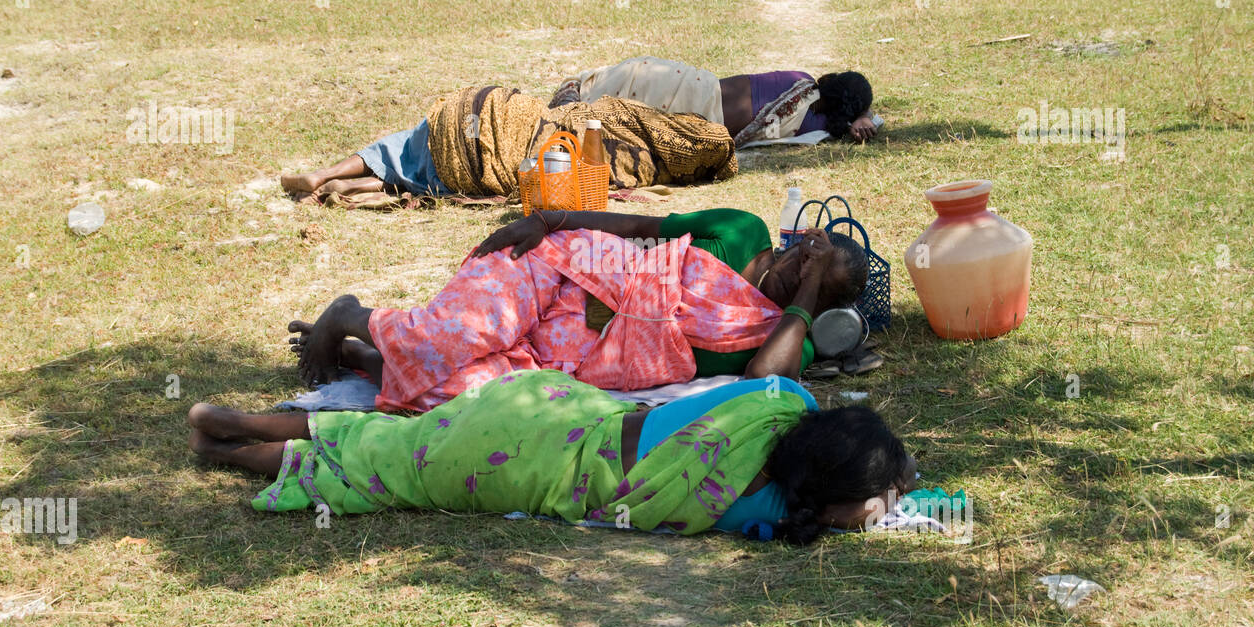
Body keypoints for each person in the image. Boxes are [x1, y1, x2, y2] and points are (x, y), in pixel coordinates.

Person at [188, 369, 916, 544]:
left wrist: (880, 463)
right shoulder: (756, 509)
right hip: (532, 464)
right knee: (388, 469)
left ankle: (232, 418)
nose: (877, 512)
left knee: (404, 436)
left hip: (552, 405)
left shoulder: (779, 399)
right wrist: (872, 502)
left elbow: (792, 387)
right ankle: (233, 449)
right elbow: (841, 514)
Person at [287, 208, 868, 413]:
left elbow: (766, 381)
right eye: (808, 257)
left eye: (818, 281)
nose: (802, 270)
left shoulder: (788, 338)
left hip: (567, 359)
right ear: (801, 239)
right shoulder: (744, 231)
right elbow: (640, 226)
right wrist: (549, 222)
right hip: (561, 269)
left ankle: (364, 353)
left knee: (464, 400)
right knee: (459, 337)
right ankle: (350, 313)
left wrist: (805, 297)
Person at [280, 83, 737, 204]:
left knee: (401, 148)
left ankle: (329, 175)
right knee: (432, 179)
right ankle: (366, 189)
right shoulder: (633, 171)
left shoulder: (624, 114)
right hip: (482, 162)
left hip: (487, 110)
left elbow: (571, 107)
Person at [557, 57, 879, 145]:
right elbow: (866, 123)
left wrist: (859, 115)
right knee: (616, 102)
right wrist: (861, 117)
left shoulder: (800, 79)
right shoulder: (817, 126)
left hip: (694, 85)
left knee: (625, 82)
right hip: (696, 102)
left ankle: (574, 97)